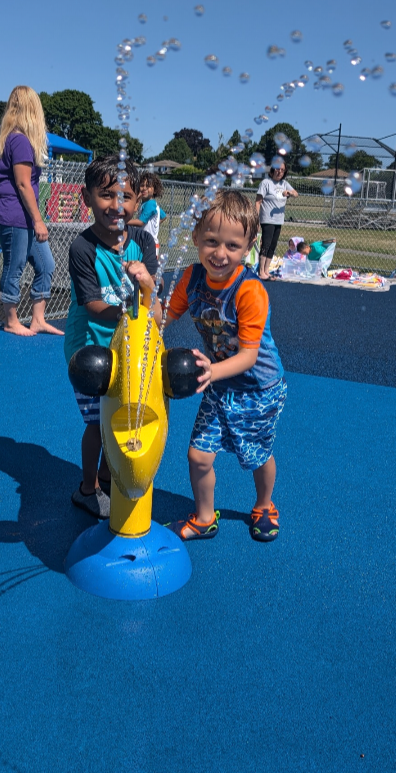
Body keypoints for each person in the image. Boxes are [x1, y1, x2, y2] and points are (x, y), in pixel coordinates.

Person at [164, 190, 287, 543]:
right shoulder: (191, 279)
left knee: (257, 455)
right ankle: (205, 518)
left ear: (249, 247)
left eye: (232, 245)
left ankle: (264, 505)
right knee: (198, 456)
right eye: (212, 241)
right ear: (196, 237)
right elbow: (162, 319)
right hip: (218, 383)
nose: (220, 253)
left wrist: (211, 372)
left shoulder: (249, 291)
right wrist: (144, 291)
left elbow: (248, 356)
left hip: (258, 388)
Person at [65, 156, 158, 518]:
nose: (116, 206)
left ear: (138, 201)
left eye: (126, 197)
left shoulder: (143, 241)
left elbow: (152, 297)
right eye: (106, 195)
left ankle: (106, 475)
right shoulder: (83, 248)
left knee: (121, 416)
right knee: (97, 423)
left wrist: (146, 289)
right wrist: (128, 312)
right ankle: (87, 488)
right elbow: (92, 305)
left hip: (127, 348)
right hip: (89, 349)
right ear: (86, 197)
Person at [0, 85, 62, 336]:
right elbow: (22, 184)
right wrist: (38, 220)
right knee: (15, 265)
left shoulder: (7, 137)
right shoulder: (19, 140)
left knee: (46, 264)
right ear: (33, 109)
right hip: (14, 213)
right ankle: (11, 321)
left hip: (18, 214)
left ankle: (37, 319)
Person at [254, 161, 298, 279]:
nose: (280, 172)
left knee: (273, 246)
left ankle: (266, 271)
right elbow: (258, 202)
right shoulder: (266, 183)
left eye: (282, 170)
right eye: (278, 169)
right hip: (267, 220)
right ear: (273, 169)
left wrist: (289, 192)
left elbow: (296, 194)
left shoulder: (284, 184)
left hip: (279, 220)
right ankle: (261, 272)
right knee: (266, 245)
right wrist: (256, 220)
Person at [126, 171, 165, 251]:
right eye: (142, 185)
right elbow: (163, 216)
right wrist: (154, 225)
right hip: (150, 243)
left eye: (148, 186)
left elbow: (141, 222)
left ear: (154, 190)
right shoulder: (153, 204)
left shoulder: (150, 204)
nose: (144, 188)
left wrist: (124, 221)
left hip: (147, 245)